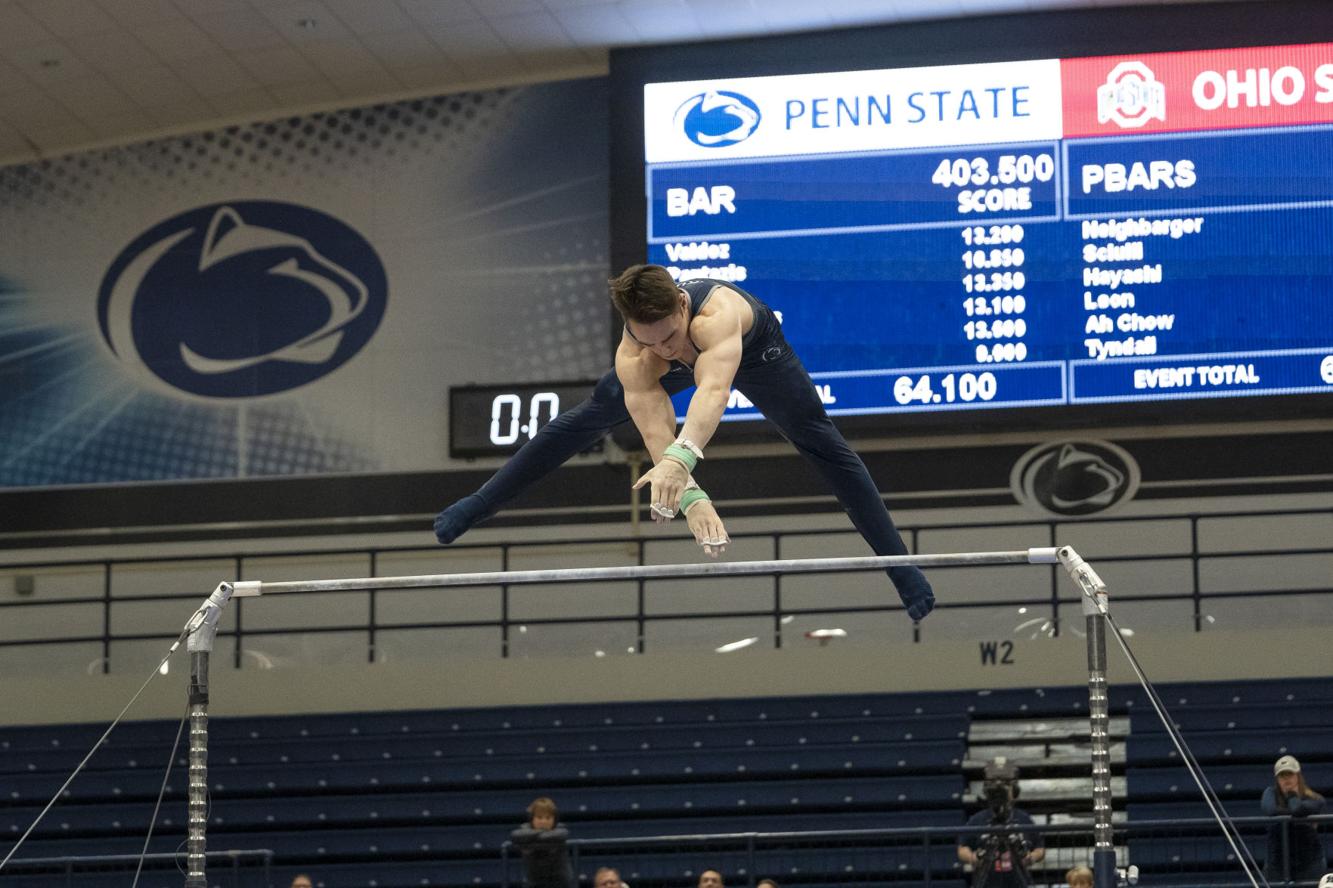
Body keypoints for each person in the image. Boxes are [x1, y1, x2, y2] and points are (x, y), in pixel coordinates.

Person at [434, 266, 934, 620]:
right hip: (684, 373)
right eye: (647, 341)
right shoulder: (640, 353)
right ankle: (479, 504)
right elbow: (656, 432)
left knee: (824, 446)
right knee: (586, 418)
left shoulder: (718, 317)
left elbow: (712, 393)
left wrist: (684, 456)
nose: (664, 349)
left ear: (681, 304)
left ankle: (901, 569)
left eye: (669, 335)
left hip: (757, 354)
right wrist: (690, 496)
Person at [957, 760, 1045, 888]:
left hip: (1018, 883)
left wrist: (1031, 858)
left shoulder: (1023, 818)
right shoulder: (977, 819)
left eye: (1005, 786)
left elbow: (1040, 848)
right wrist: (973, 858)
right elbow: (962, 847)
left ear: (1014, 790)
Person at [1262, 754, 1327, 883]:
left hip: (1309, 862)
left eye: (1290, 774)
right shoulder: (1269, 793)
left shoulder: (1314, 798)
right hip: (1277, 863)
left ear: (1298, 776)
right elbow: (1270, 810)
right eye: (1282, 775)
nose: (1286, 779)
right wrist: (1294, 812)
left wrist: (1292, 796)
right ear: (1277, 779)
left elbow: (1297, 809)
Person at [510, 796, 575, 888]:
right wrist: (542, 832)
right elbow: (515, 835)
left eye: (548, 818)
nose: (544, 821)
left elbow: (561, 834)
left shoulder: (560, 830)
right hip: (534, 882)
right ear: (531, 818)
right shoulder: (524, 830)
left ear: (554, 819)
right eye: (539, 817)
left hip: (560, 882)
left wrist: (535, 836)